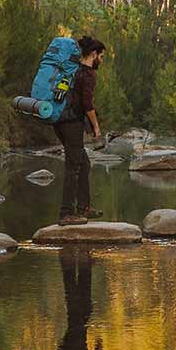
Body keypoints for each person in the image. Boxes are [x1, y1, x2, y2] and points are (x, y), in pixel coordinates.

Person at [55, 36, 106, 225]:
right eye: (101, 57)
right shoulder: (88, 74)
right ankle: (66, 213)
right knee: (73, 168)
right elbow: (87, 104)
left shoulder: (72, 69)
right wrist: (96, 128)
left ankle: (84, 207)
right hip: (72, 123)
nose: (101, 60)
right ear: (93, 54)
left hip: (59, 121)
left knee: (83, 163)